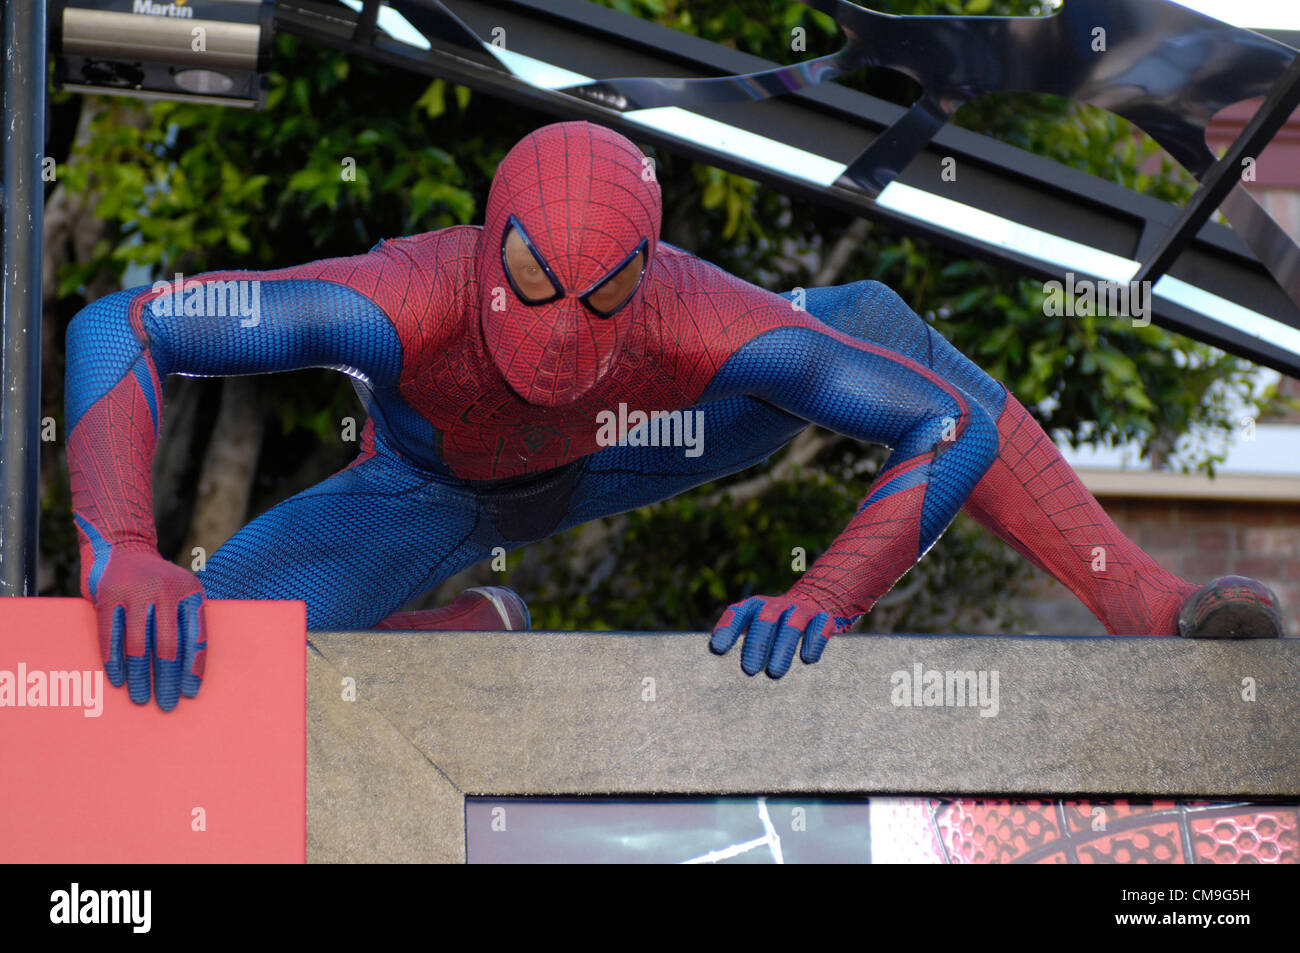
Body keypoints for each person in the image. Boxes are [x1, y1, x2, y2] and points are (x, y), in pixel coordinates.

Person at [65, 121, 1283, 711]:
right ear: (488, 248)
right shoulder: (392, 298)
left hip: (651, 435)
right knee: (179, 660)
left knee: (870, 316)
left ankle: (1137, 592)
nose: (557, 332)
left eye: (598, 298)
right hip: (431, 491)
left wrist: (825, 594)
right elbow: (120, 325)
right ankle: (453, 626)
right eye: (534, 284)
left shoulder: (709, 318)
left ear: (649, 271)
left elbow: (944, 420)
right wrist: (121, 545)